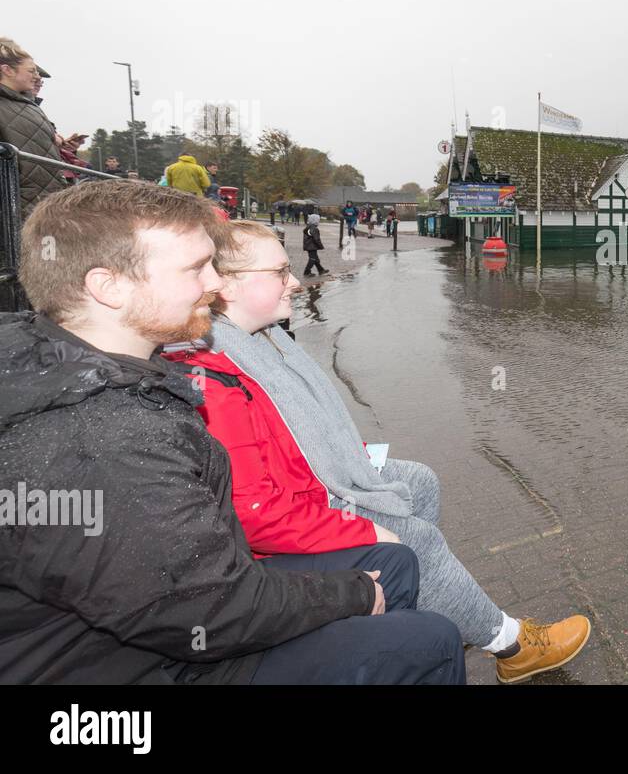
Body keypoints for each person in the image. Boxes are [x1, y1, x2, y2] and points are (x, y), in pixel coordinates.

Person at [0, 180, 465, 683]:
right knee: (428, 640)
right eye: (195, 269)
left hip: (160, 611)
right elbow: (203, 610)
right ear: (108, 286)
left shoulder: (76, 367)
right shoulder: (104, 439)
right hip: (137, 662)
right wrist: (351, 592)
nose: (215, 284)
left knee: (395, 567)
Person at [164, 220, 592, 683]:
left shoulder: (257, 341)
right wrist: (369, 527)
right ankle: (509, 645)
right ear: (226, 285)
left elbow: (301, 434)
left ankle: (432, 599)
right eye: (280, 271)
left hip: (304, 483)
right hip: (284, 516)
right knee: (414, 538)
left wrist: (353, 454)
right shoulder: (216, 374)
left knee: (419, 479)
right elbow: (255, 512)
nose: (294, 282)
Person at [0, 37, 64, 218]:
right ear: (7, 70)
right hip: (16, 212)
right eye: (31, 71)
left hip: (44, 206)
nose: (37, 76)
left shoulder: (30, 106)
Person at [302, 212, 328, 276]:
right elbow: (316, 239)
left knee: (315, 259)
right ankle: (307, 272)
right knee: (312, 259)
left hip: (309, 245)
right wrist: (320, 246)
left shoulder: (309, 227)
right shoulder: (314, 228)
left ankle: (321, 270)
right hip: (311, 246)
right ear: (315, 221)